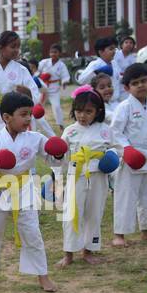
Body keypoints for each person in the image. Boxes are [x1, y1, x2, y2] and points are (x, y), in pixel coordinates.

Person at [0, 92, 66, 291]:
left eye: (30, 114)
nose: (29, 118)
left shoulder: (35, 138)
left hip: (24, 190)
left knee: (32, 233)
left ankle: (42, 275)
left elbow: (52, 159)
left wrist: (58, 153)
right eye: (23, 114)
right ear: (6, 117)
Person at [109, 62, 147, 246]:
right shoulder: (124, 107)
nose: (140, 85)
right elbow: (115, 132)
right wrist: (126, 149)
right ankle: (119, 234)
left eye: (144, 81)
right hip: (131, 158)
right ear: (127, 88)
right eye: (135, 83)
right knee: (126, 196)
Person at [56, 89, 118, 266]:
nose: (82, 115)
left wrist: (111, 159)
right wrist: (57, 179)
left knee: (94, 213)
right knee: (71, 213)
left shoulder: (105, 130)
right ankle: (69, 252)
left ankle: (88, 250)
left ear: (98, 111)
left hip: (98, 175)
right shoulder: (69, 131)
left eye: (88, 111)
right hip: (76, 175)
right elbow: (60, 156)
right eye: (79, 111)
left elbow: (117, 150)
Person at [39, 44, 72, 129]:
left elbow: (65, 76)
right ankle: (37, 123)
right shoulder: (44, 62)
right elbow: (36, 71)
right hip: (43, 88)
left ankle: (60, 124)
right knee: (38, 105)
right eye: (51, 52)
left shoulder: (61, 65)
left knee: (56, 106)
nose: (53, 54)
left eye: (55, 52)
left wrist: (64, 82)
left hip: (54, 88)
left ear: (59, 53)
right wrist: (41, 76)